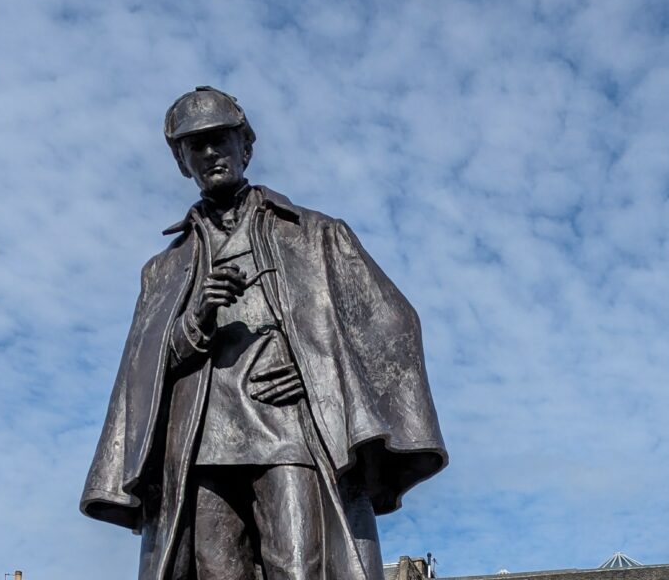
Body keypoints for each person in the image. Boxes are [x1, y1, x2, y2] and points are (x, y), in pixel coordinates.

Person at [81, 86, 447, 580]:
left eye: (220, 139)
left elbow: (393, 326)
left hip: (286, 431)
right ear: (181, 161)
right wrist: (196, 318)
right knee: (215, 572)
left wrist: (320, 374)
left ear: (245, 145)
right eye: (195, 145)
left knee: (298, 569)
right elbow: (141, 375)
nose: (210, 152)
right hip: (200, 445)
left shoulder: (314, 234)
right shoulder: (163, 270)